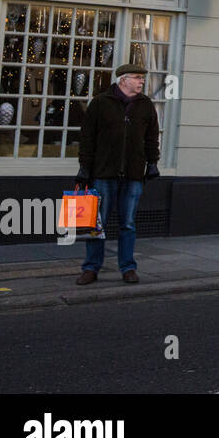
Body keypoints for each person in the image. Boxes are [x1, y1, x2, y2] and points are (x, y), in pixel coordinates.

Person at [74, 63, 161, 286]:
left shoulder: (145, 105)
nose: (142, 81)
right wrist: (85, 167)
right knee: (96, 224)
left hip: (133, 175)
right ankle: (91, 268)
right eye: (137, 77)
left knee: (128, 223)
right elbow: (87, 138)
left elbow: (151, 136)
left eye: (142, 78)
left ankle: (128, 267)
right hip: (103, 173)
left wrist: (152, 162)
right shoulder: (101, 103)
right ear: (123, 80)